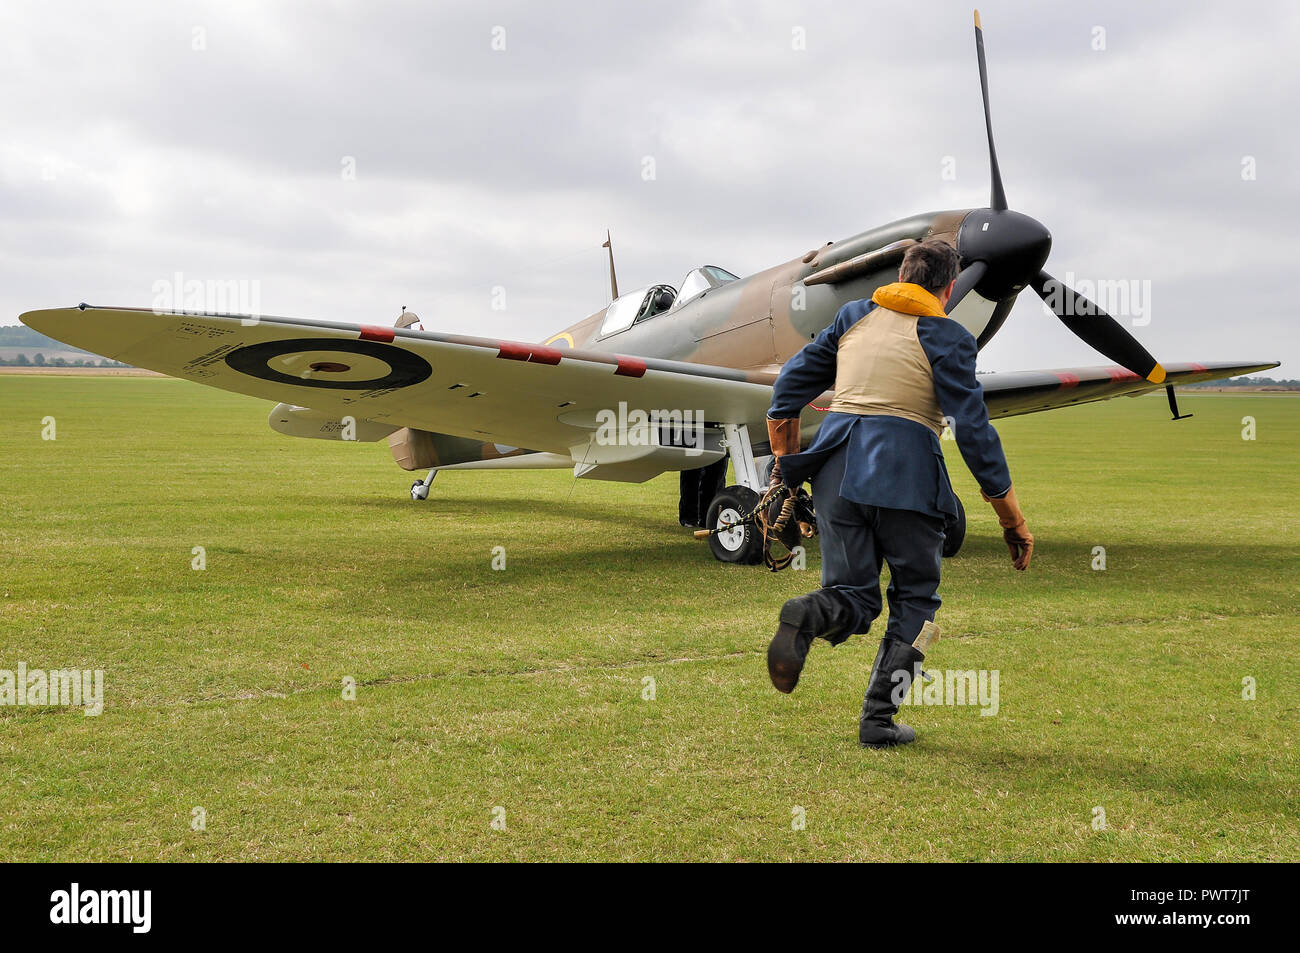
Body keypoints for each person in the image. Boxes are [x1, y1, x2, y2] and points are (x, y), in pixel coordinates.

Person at [763, 239, 1033, 748]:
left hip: (835, 472)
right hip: (906, 474)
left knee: (852, 596)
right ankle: (877, 720)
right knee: (916, 601)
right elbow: (974, 433)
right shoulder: (949, 336)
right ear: (948, 287)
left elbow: (788, 388)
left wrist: (784, 463)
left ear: (903, 275)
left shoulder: (852, 317)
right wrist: (1011, 518)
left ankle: (807, 614)